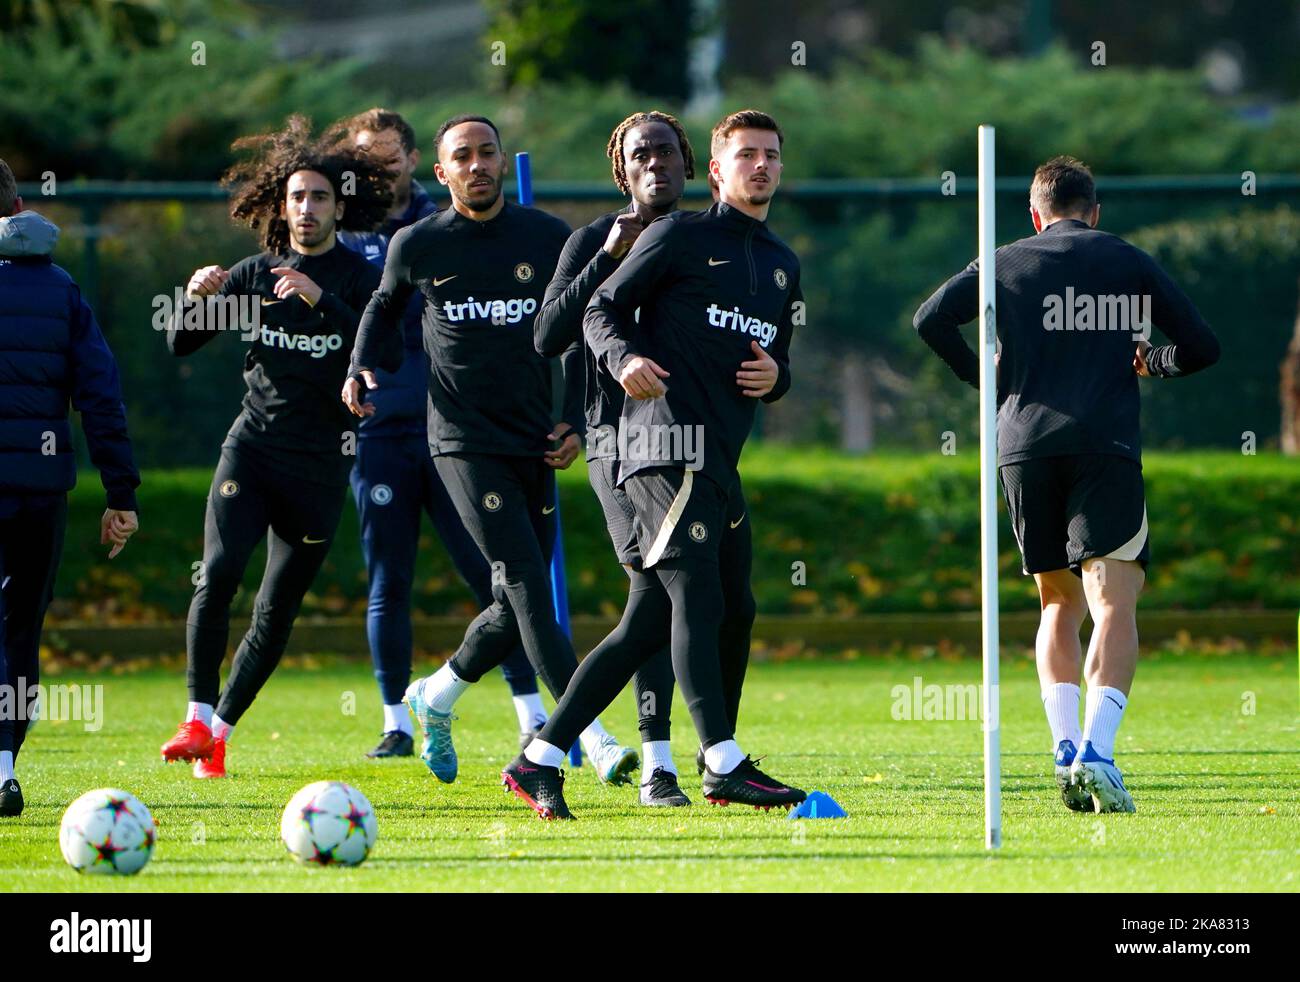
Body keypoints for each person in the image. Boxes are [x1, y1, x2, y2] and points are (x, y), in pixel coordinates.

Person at [502, 109, 805, 819]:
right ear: (721, 172)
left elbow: (774, 354)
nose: (761, 166)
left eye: (772, 156)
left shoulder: (781, 264)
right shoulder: (654, 239)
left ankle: (541, 756)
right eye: (748, 155)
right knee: (689, 593)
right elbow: (578, 321)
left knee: (672, 612)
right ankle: (712, 760)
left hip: (713, 455)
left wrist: (779, 377)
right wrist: (622, 354)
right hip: (647, 445)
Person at [914, 155, 1220, 813]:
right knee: (1115, 599)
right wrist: (1154, 362)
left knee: (1059, 603)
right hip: (1103, 444)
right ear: (1095, 210)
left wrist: (986, 381)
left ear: (1035, 213)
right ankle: (1098, 754)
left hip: (1021, 446)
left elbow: (929, 319)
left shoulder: (1004, 260)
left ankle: (1065, 754)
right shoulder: (1126, 259)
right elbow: (1202, 346)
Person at [343, 115, 636, 786]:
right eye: (461, 157)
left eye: (486, 153)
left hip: (533, 438)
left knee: (511, 602)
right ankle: (584, 734)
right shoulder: (418, 244)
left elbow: (584, 330)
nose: (476, 165)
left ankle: (436, 695)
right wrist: (359, 368)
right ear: (440, 173)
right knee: (530, 583)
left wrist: (573, 422)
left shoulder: (546, 237)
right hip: (460, 441)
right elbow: (382, 310)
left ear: (502, 162)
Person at [159, 117, 391, 778]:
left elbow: (390, 351)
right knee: (221, 572)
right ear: (280, 206)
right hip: (252, 452)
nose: (308, 208)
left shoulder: (354, 278)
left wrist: (325, 302)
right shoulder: (255, 275)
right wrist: (195, 297)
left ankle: (222, 731)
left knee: (274, 609)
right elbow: (181, 341)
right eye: (297, 197)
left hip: (319, 468)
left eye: (320, 197)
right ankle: (196, 718)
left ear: (339, 207)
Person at [328, 108, 543, 759]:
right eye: (365, 158)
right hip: (382, 434)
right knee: (389, 579)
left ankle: (530, 712)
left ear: (416, 159)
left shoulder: (442, 229)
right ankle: (396, 720)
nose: (379, 167)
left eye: (390, 154)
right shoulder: (346, 233)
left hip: (460, 431)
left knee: (498, 578)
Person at [0, 158, 141, 816]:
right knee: (20, 628)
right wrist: (121, 494)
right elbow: (101, 396)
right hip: (39, 491)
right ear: (20, 206)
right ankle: (4, 762)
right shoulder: (60, 290)